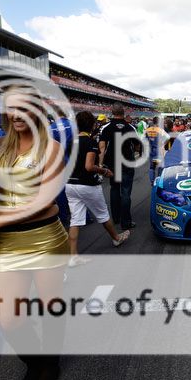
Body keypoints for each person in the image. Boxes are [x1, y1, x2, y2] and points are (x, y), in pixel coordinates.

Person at [0, 86, 70, 380]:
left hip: (44, 237)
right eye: (10, 109)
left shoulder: (51, 148)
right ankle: (36, 362)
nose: (16, 115)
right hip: (7, 243)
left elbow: (46, 202)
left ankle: (50, 367)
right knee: (9, 318)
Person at [66, 112, 129, 265]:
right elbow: (89, 166)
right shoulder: (90, 142)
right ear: (92, 125)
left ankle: (72, 256)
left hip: (70, 184)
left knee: (75, 220)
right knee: (103, 214)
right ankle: (116, 238)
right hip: (87, 184)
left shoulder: (70, 141)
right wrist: (104, 171)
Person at [99, 103, 140, 230]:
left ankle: (116, 218)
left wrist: (100, 164)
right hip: (127, 162)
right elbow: (137, 145)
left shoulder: (106, 127)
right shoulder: (130, 127)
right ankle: (126, 222)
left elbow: (102, 147)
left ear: (112, 112)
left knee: (115, 189)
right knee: (126, 192)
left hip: (113, 163)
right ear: (123, 113)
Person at [144, 116, 170, 185]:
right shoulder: (160, 130)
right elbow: (168, 138)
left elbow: (144, 140)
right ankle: (158, 181)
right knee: (160, 167)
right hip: (158, 151)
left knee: (152, 167)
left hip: (151, 150)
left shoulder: (148, 130)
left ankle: (152, 181)